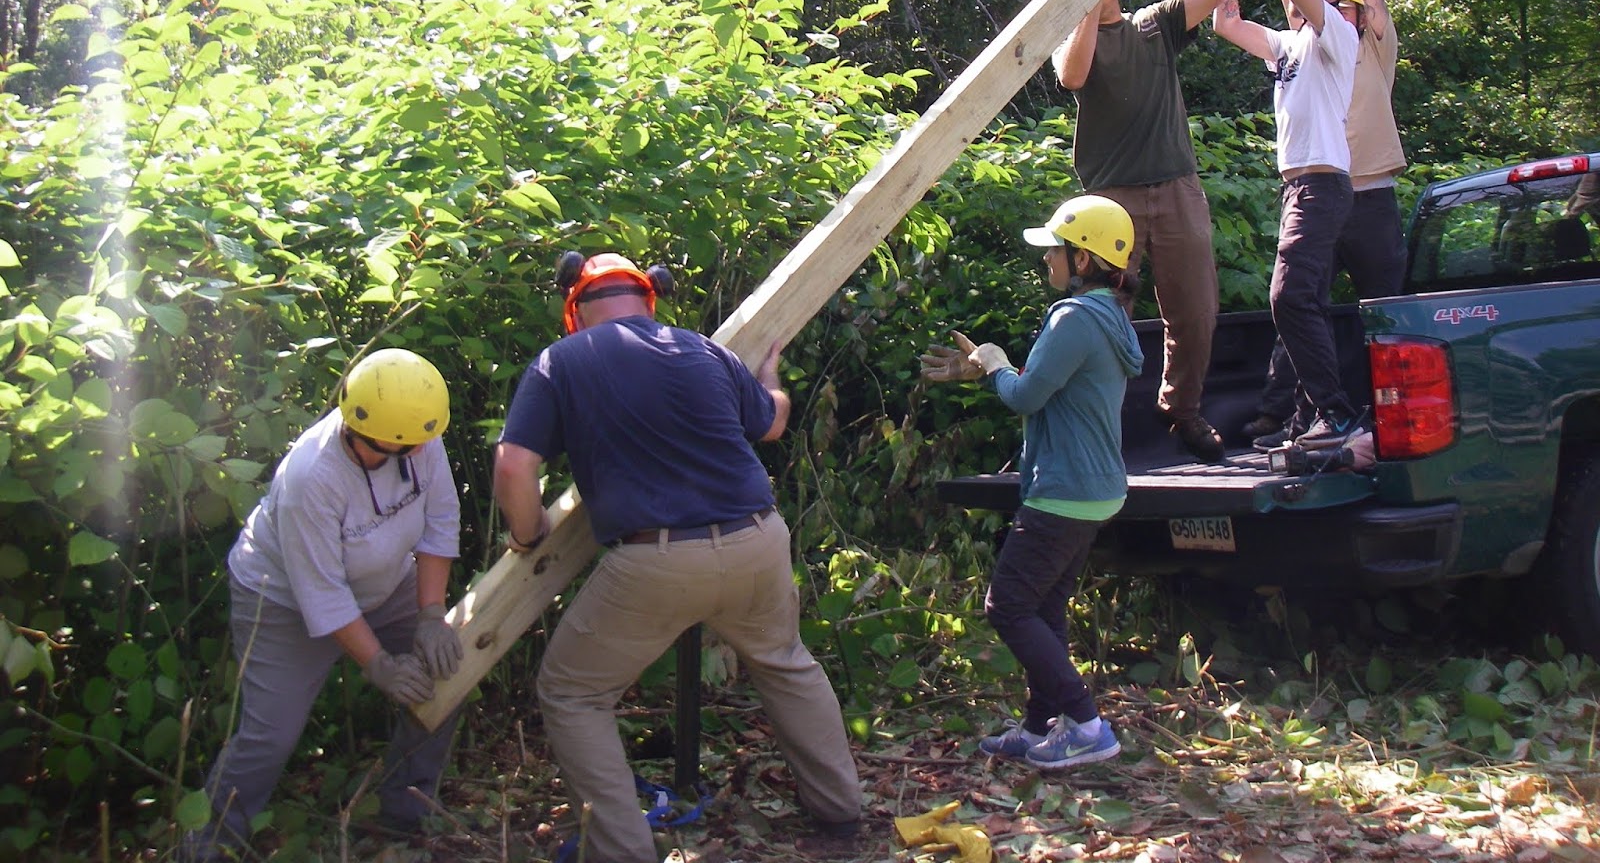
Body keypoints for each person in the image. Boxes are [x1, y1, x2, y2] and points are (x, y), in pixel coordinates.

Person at [493, 251, 861, 863]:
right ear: (650, 299)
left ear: (574, 308)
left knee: (572, 693)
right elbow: (770, 423)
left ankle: (623, 851)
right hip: (758, 540)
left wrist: (528, 536)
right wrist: (770, 377)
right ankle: (841, 810)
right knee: (784, 660)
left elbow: (514, 464)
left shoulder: (560, 362)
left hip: (655, 563)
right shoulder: (704, 350)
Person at [183, 349, 464, 861]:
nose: (420, 452)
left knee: (446, 677)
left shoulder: (417, 431)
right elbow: (322, 591)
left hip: (387, 583)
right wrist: (378, 664)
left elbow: (441, 521)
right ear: (363, 430)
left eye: (423, 442)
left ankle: (407, 811)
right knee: (270, 735)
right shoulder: (311, 477)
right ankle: (209, 845)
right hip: (284, 599)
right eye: (404, 447)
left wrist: (430, 613)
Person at [919, 195, 1144, 771]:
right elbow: (1052, 389)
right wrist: (995, 372)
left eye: (1056, 252)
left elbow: (1024, 396)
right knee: (1044, 607)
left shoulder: (1073, 319)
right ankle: (1041, 726)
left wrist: (995, 365)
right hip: (1096, 488)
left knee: (1009, 605)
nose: (1047, 261)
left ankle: (1088, 725)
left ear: (1085, 260)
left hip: (1064, 489)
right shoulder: (1110, 318)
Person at [1045, 0, 1234, 462]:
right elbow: (1073, 76)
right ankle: (1087, 431)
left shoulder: (1153, 24)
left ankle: (1181, 412)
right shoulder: (1069, 39)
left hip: (1176, 187)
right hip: (1110, 202)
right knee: (1100, 316)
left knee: (1196, 311)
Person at [1243, 0, 1407, 447]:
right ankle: (1286, 414)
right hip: (1323, 188)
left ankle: (1386, 411)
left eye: (1347, 2)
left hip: (1370, 196)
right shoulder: (1310, 44)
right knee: (1299, 302)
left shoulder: (1371, 41)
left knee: (1383, 314)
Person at [1213, 0, 1361, 449]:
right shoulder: (1286, 45)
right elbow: (1225, 24)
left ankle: (1337, 414)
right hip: (1298, 189)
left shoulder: (1338, 36)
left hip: (1320, 186)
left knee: (1289, 298)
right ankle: (1308, 424)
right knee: (1308, 303)